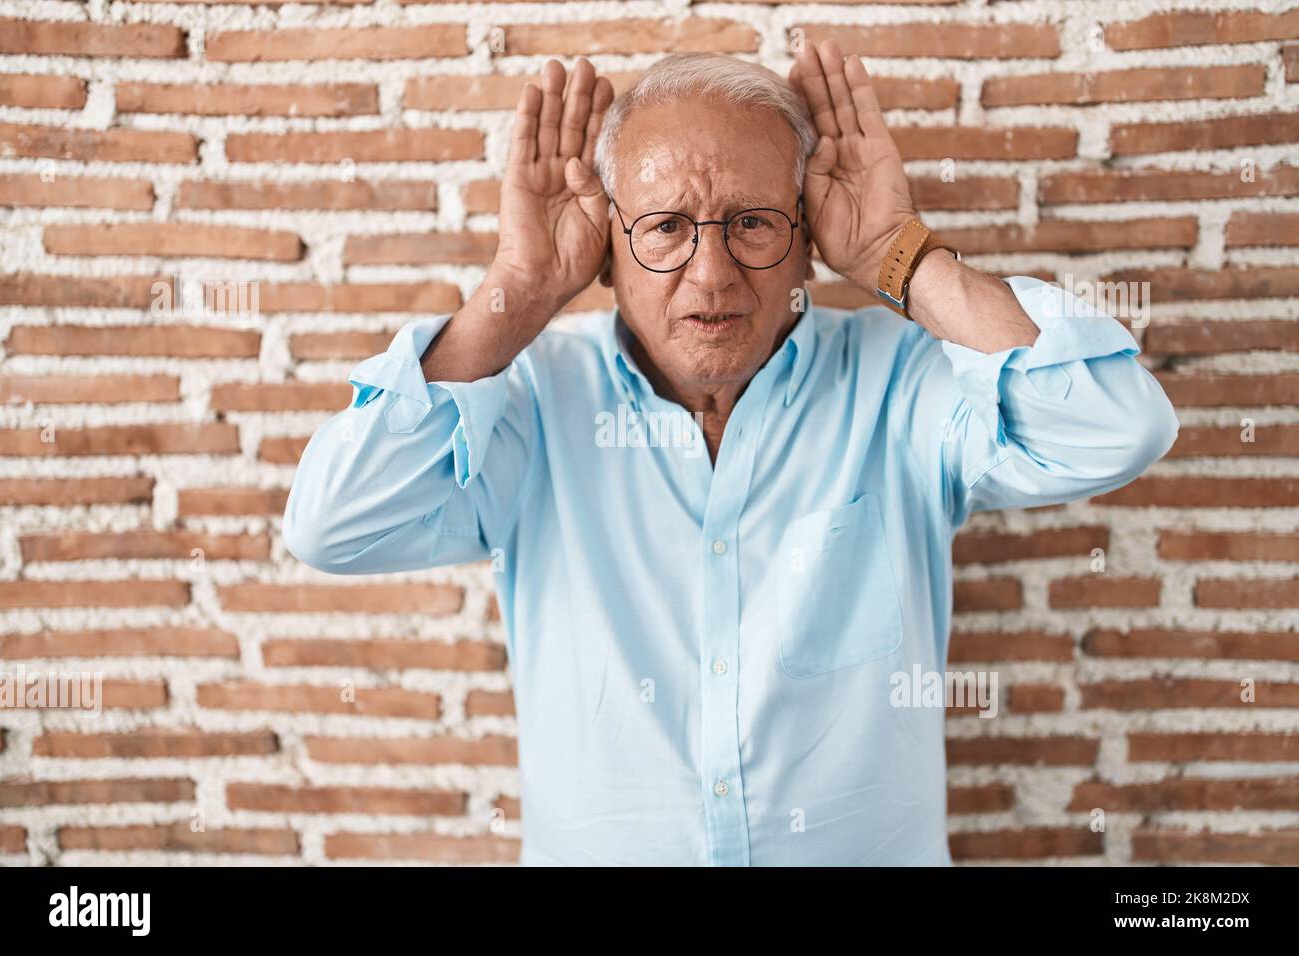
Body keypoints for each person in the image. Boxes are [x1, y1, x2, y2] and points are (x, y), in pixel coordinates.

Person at [283, 41, 1179, 865]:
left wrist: (897, 253)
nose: (711, 275)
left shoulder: (902, 384)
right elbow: (333, 524)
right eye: (667, 227)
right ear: (607, 253)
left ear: (806, 247)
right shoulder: (528, 403)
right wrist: (516, 295)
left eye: (752, 223)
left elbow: (1117, 424)